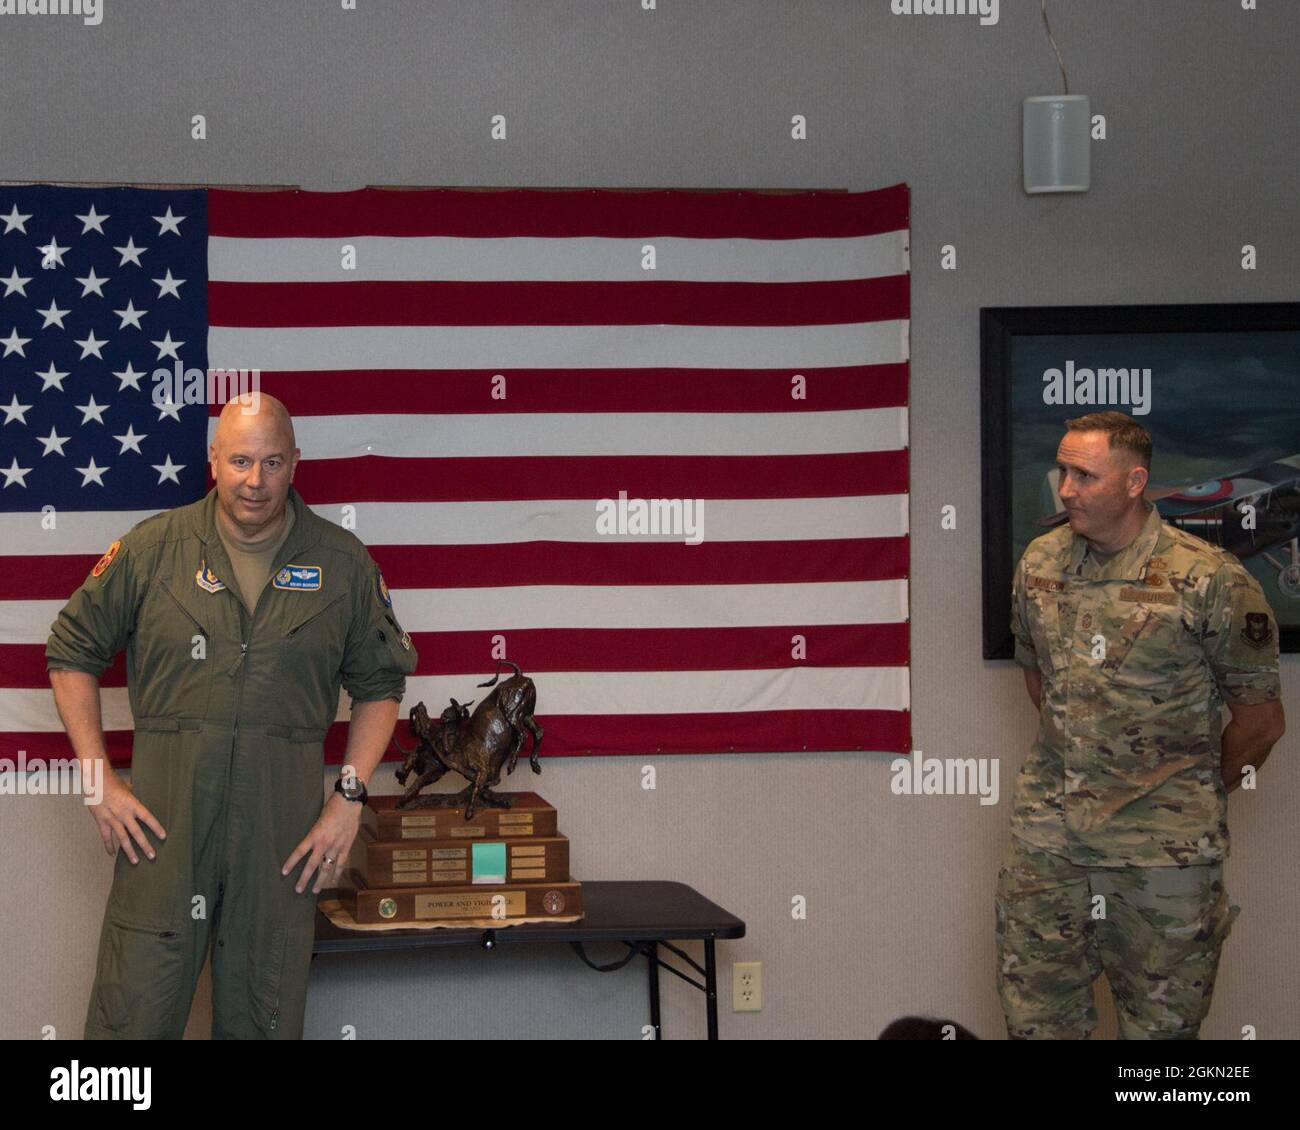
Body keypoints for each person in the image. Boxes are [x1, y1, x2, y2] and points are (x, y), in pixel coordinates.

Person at [47, 393, 418, 1039]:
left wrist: (349, 798)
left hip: (280, 829)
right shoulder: (153, 550)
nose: (256, 481)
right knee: (133, 1008)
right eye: (241, 460)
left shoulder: (342, 564)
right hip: (165, 823)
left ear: (296, 463)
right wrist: (96, 779)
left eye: (273, 462)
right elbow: (70, 651)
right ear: (213, 459)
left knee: (264, 1006)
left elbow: (381, 685)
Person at [996, 411, 1285, 1040]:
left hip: (1163, 856)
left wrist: (1183, 791)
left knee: (1162, 1040)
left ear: (1134, 483)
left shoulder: (1210, 579)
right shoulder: (1040, 564)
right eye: (1062, 471)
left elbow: (1261, 723)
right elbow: (1041, 682)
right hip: (1050, 846)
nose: (1065, 488)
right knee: (1035, 1024)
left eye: (1084, 475)